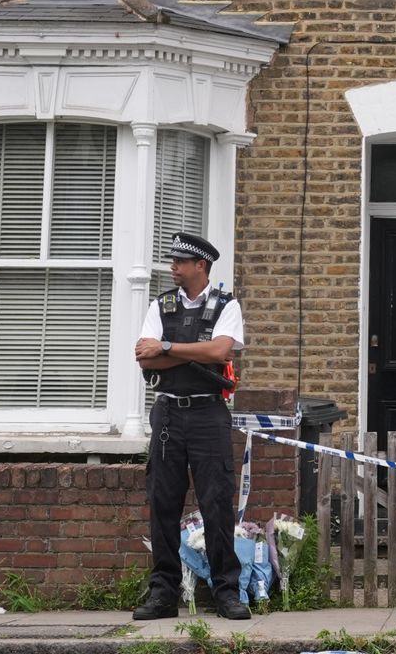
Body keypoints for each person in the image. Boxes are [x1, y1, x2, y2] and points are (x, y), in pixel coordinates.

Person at [132, 232, 250, 621]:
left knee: (217, 503)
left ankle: (227, 592)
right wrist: (186, 355)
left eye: (180, 261)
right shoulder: (160, 305)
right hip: (167, 413)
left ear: (201, 265)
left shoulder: (226, 306)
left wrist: (167, 348)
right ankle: (163, 595)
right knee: (163, 504)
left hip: (208, 414)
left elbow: (220, 351)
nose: (173, 267)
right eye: (173, 261)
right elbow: (144, 359)